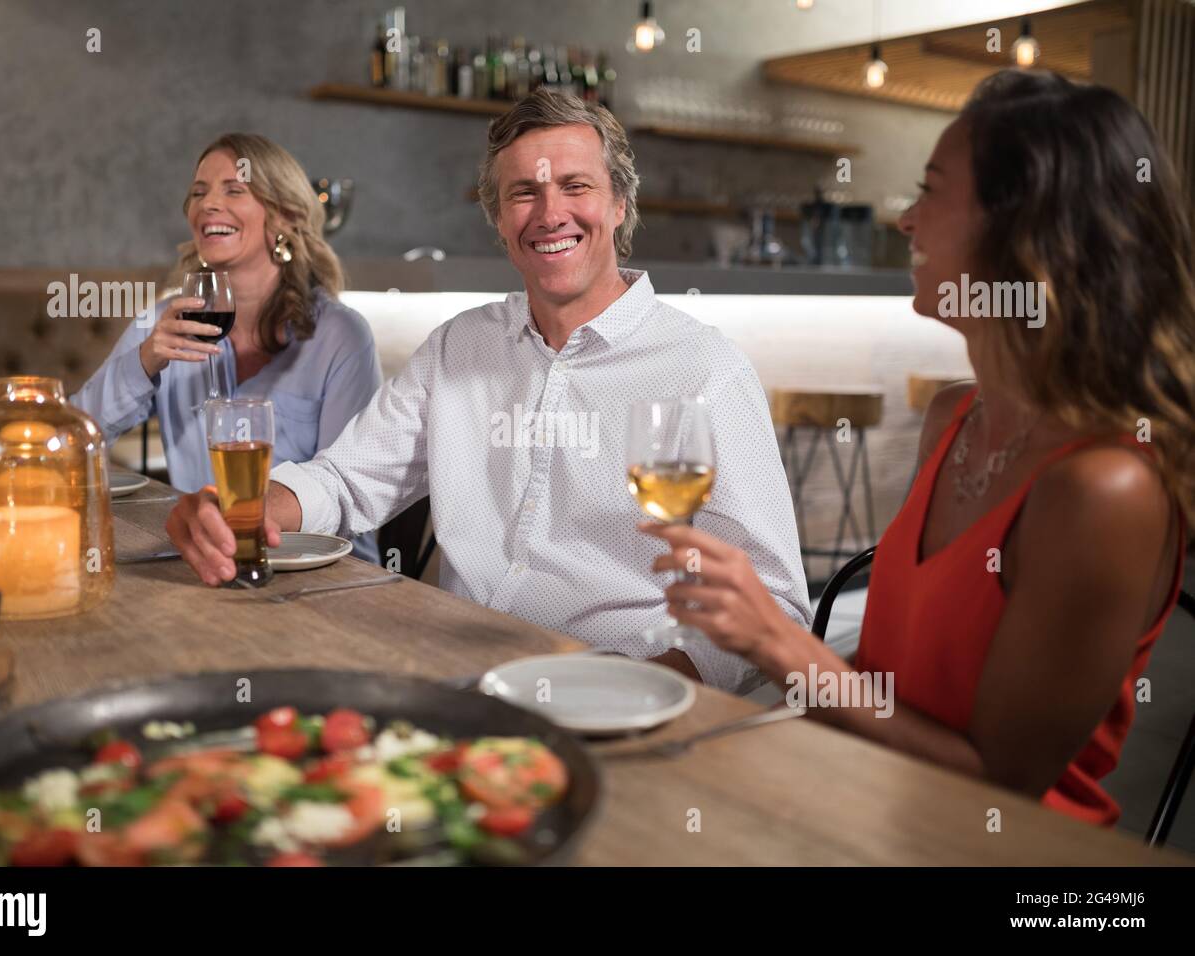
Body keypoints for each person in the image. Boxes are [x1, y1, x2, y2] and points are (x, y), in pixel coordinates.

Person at [640, 70, 1194, 824]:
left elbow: (1000, 788)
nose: (906, 220)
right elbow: (880, 692)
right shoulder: (953, 418)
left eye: (931, 190)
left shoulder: (1105, 489)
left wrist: (775, 641)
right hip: (866, 808)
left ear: (1023, 231)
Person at [165, 90, 810, 691]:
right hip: (459, 675)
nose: (550, 212)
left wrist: (653, 681)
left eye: (575, 186)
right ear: (498, 220)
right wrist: (238, 512)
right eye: (523, 193)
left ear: (618, 205)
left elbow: (777, 604)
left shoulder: (705, 369)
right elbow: (344, 481)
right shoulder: (456, 348)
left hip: (628, 692)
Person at [73, 133, 382, 563]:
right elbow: (72, 437)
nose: (207, 205)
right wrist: (146, 360)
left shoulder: (341, 335)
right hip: (204, 560)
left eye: (234, 190)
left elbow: (349, 489)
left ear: (286, 215)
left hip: (325, 571)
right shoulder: (165, 321)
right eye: (198, 193)